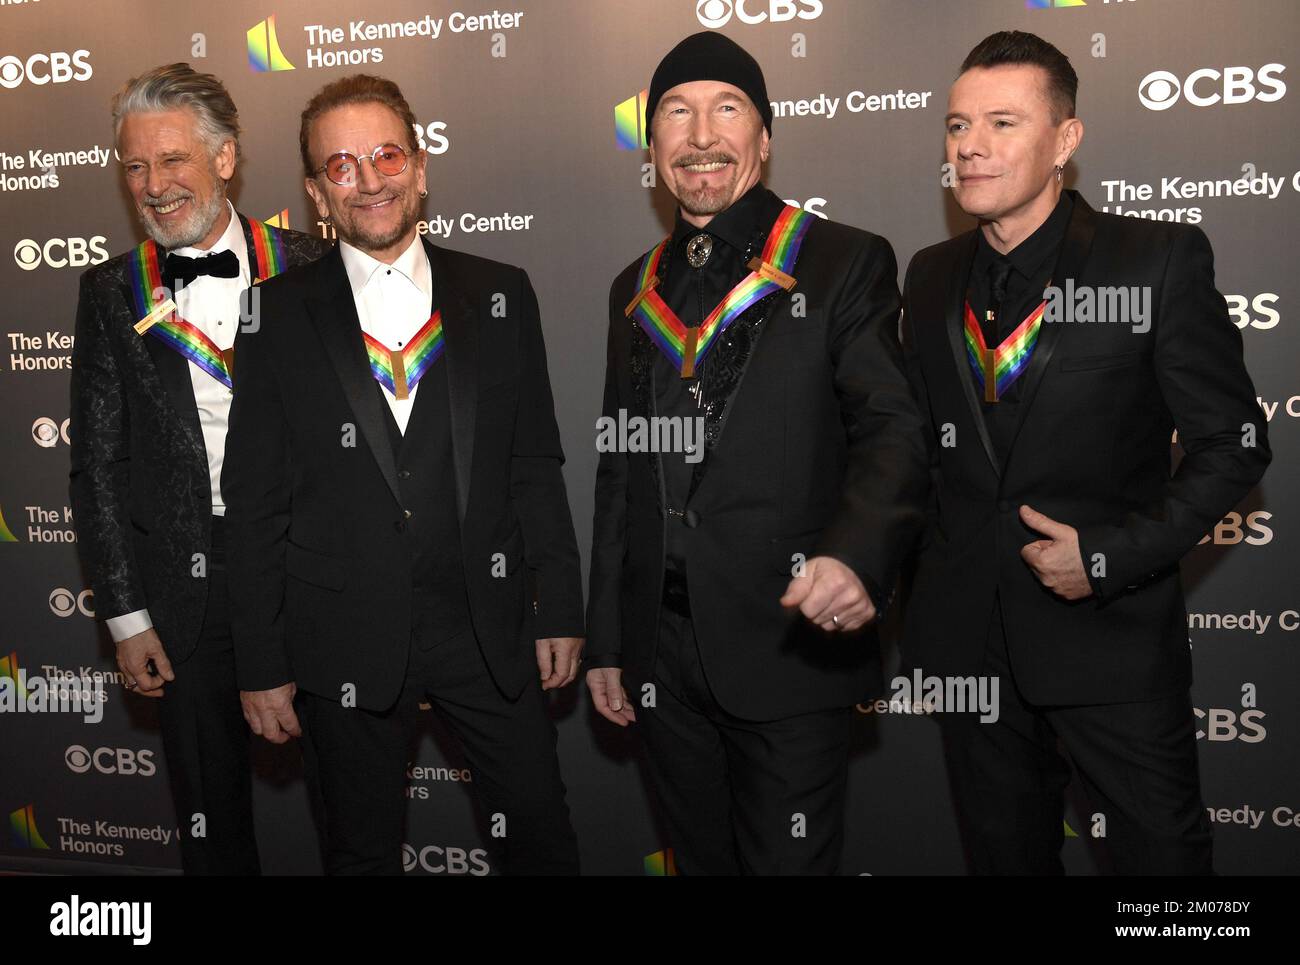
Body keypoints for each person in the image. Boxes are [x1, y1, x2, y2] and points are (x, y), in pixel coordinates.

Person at [901, 30, 1271, 874]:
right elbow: (919, 452)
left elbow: (1234, 444)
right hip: (971, 650)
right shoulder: (928, 275)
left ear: (1066, 139)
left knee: (1166, 879)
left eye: (1002, 122)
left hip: (1108, 638)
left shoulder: (1156, 260)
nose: (972, 147)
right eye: (958, 126)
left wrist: (1106, 556)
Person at [222, 74, 585, 875]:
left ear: (420, 167)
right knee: (359, 853)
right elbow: (251, 504)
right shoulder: (272, 315)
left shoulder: (500, 293)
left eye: (386, 154)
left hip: (487, 629)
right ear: (317, 192)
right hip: (339, 637)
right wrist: (262, 662)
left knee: (541, 838)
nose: (369, 179)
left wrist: (558, 602)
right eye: (341, 165)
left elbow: (534, 463)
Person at [585, 32, 928, 874]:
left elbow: (896, 429)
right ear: (652, 144)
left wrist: (857, 557)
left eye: (726, 109)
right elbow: (621, 470)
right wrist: (606, 638)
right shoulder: (632, 286)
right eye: (676, 112)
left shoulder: (844, 259)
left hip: (789, 637)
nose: (700, 135)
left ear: (766, 139)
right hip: (661, 652)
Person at [69, 62, 330, 874]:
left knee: (354, 806)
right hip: (187, 596)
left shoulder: (315, 264)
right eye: (136, 166)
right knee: (212, 827)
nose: (154, 184)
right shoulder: (113, 291)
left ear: (224, 159)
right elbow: (98, 463)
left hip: (313, 573)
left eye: (173, 159)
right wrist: (125, 614)